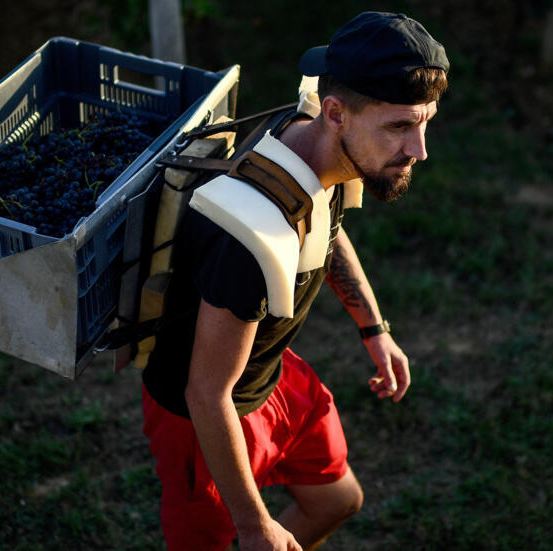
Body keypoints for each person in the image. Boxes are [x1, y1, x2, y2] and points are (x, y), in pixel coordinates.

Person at [140, 12, 450, 551]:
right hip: (207, 416)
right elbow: (206, 392)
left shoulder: (312, 138)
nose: (419, 149)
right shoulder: (249, 237)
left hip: (271, 374)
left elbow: (324, 226)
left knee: (337, 500)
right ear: (337, 113)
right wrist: (254, 525)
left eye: (426, 122)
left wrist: (374, 329)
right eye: (400, 126)